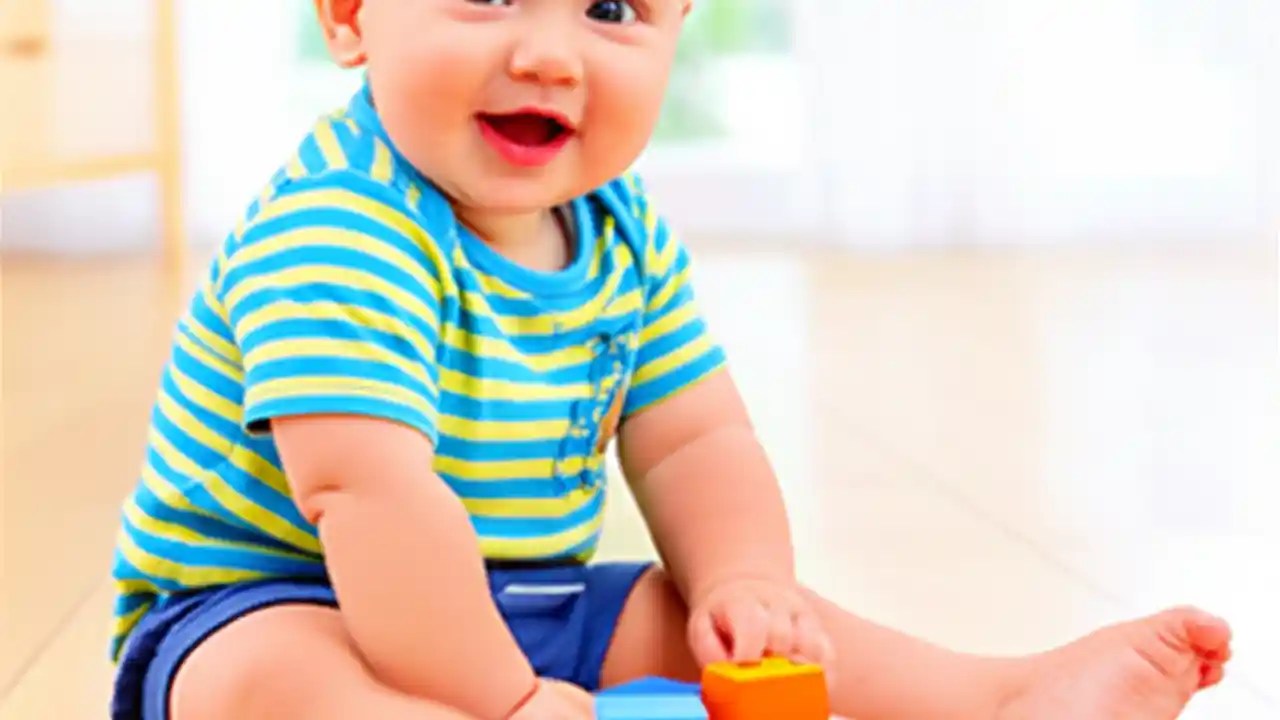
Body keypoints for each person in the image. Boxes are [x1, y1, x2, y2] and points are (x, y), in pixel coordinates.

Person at [107, 1, 1233, 718]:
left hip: (531, 601)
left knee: (715, 622)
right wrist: (503, 702)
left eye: (610, 8)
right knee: (274, 685)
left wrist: (741, 580)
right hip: (274, 601)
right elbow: (371, 499)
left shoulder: (615, 222)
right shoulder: (338, 232)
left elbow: (696, 437)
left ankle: (993, 697)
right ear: (351, 15)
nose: (547, 52)